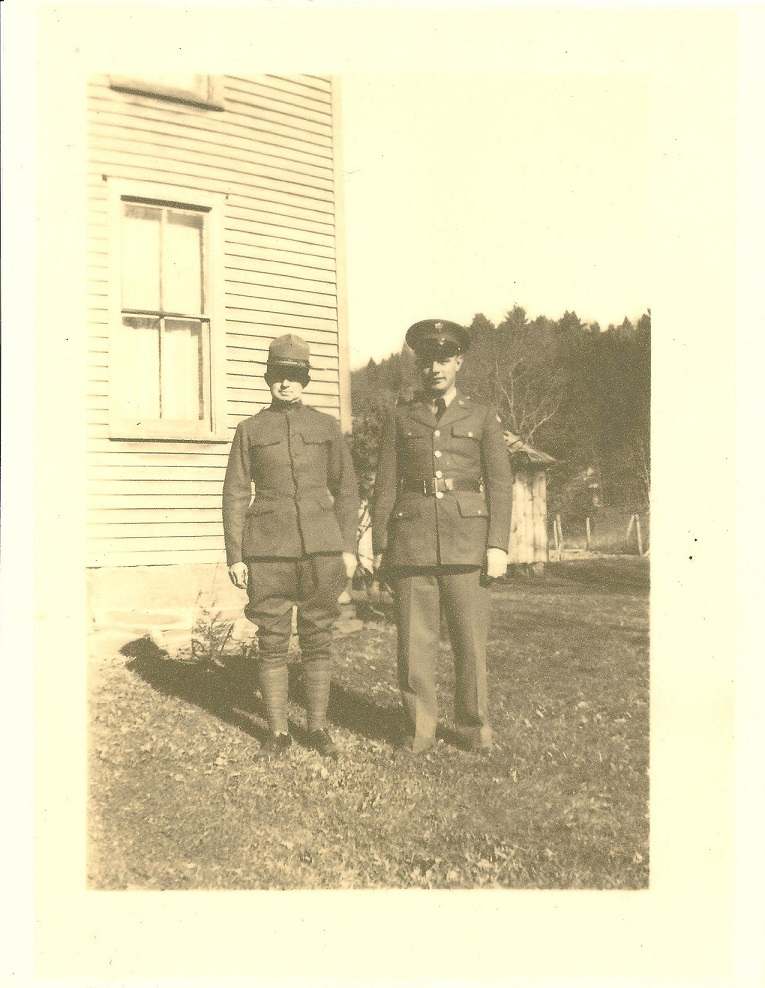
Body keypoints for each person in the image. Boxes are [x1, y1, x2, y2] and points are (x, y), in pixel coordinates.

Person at [371, 319, 513, 754]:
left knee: (469, 644)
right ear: (418, 364)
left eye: (444, 359)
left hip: (468, 543)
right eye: (426, 360)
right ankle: (420, 730)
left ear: (459, 362)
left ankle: (472, 727)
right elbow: (386, 483)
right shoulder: (401, 417)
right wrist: (379, 545)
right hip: (412, 543)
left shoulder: (482, 415)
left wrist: (497, 545)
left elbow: (500, 482)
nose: (434, 367)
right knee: (415, 645)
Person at [222, 334, 359, 759]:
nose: (286, 384)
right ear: (268, 378)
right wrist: (236, 554)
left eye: (294, 376)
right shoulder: (250, 431)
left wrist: (349, 547)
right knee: (272, 639)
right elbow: (235, 493)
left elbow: (347, 490)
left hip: (320, 549)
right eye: (279, 376)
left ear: (305, 380)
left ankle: (317, 728)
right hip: (268, 550)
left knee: (318, 636)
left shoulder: (325, 427)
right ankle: (278, 732)